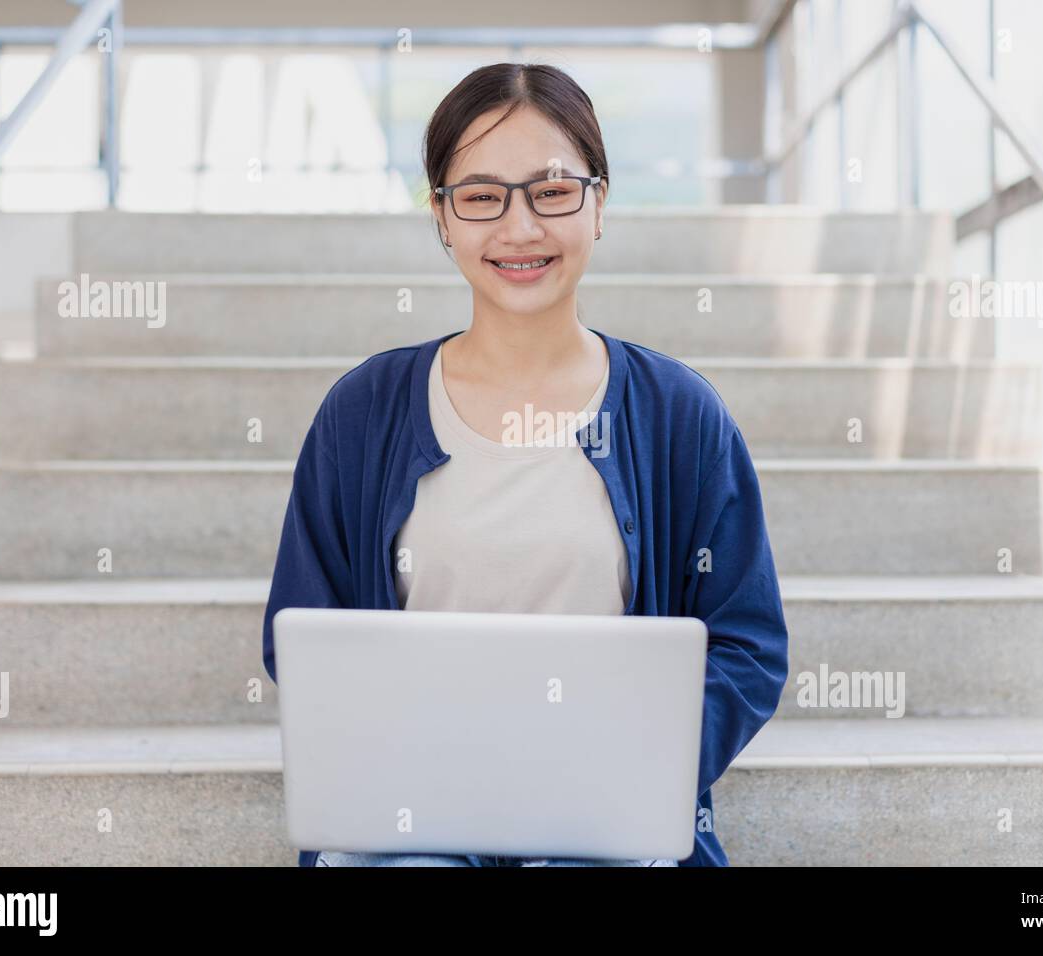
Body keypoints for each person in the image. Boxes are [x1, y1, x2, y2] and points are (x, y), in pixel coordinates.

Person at [263, 62, 789, 868]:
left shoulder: (680, 415)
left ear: (599, 202)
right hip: (411, 813)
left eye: (551, 191)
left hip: (607, 819)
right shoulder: (362, 411)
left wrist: (635, 770)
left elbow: (747, 643)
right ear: (442, 217)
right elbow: (298, 635)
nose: (519, 229)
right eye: (480, 197)